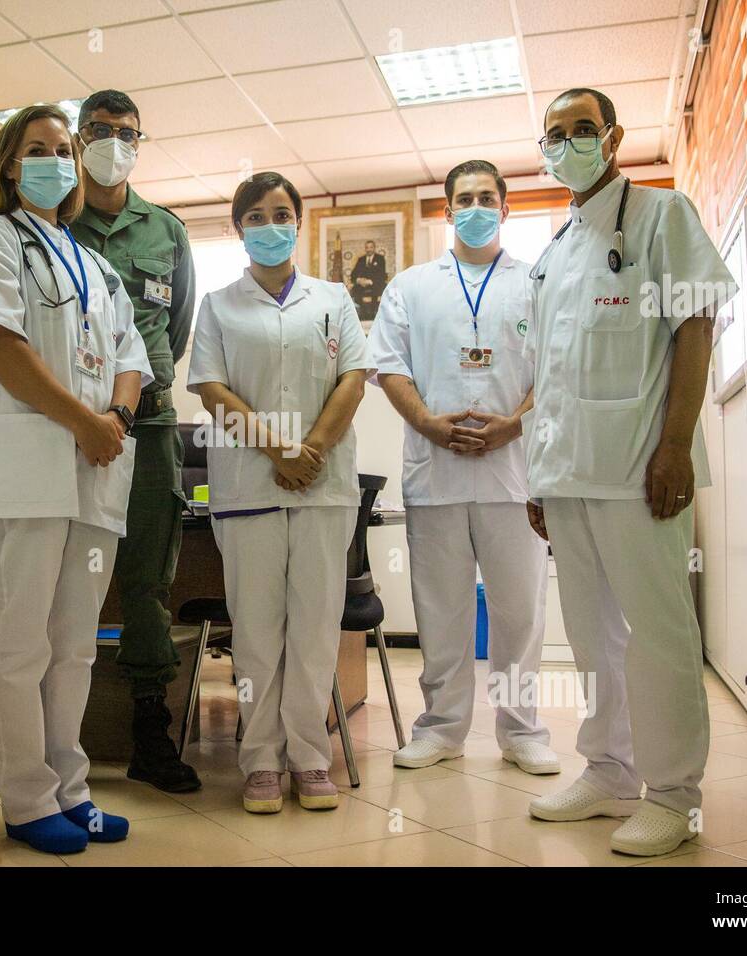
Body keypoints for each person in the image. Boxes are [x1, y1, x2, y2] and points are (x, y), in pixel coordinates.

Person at [522, 88, 735, 856]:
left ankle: (673, 796)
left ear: (613, 138)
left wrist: (676, 444)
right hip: (570, 475)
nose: (569, 141)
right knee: (590, 635)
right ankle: (608, 769)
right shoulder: (553, 251)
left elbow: (696, 324)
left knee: (659, 635)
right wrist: (540, 477)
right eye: (555, 133)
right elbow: (548, 376)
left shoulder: (659, 217)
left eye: (583, 129)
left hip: (642, 468)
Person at [0, 103, 150, 854]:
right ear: (9, 164)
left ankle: (72, 789)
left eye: (65, 149)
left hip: (94, 474)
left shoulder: (96, 264)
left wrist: (116, 423)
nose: (57, 161)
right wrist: (85, 423)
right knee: (20, 644)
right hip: (26, 471)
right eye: (39, 149)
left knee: (76, 645)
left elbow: (132, 358)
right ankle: (27, 799)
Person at [187, 172, 372, 814]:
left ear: (301, 220)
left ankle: (311, 758)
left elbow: (353, 377)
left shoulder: (335, 299)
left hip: (323, 489)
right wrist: (278, 452)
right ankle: (260, 762)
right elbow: (211, 389)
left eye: (282, 213)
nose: (271, 225)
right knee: (257, 633)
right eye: (257, 216)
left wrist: (311, 450)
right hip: (247, 487)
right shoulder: (218, 304)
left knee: (316, 628)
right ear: (239, 229)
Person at [368, 159, 560, 775]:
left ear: (505, 208)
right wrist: (426, 423)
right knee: (441, 609)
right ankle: (442, 727)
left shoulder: (537, 282)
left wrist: (514, 424)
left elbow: (555, 371)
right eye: (463, 199)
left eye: (486, 198)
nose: (475, 208)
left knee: (519, 612)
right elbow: (388, 367)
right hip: (436, 473)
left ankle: (522, 730)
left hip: (516, 475)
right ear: (447, 210)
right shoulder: (411, 286)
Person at [69, 89, 200, 793]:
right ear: (80, 135)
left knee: (146, 581)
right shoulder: (55, 219)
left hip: (146, 426)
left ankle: (150, 733)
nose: (113, 141)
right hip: (67, 426)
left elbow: (172, 332)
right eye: (100, 129)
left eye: (127, 132)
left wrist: (137, 391)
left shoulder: (166, 231)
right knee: (67, 580)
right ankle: (53, 741)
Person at [349, 240, 388, 323]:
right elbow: (353, 274)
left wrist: (370, 281)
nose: (369, 249)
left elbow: (382, 274)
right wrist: (359, 280)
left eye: (371, 247)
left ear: (374, 248)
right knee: (355, 289)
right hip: (363, 284)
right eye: (367, 247)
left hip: (375, 283)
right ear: (365, 249)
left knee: (377, 288)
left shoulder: (380, 258)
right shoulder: (361, 259)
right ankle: (363, 313)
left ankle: (373, 313)